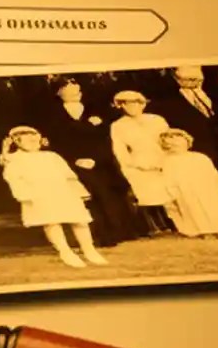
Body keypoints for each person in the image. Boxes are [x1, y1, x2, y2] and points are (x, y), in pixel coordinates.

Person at [37, 77, 147, 245]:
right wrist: (75, 160)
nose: (75, 92)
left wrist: (96, 159)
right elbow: (57, 142)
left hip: (100, 159)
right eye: (68, 88)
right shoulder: (53, 116)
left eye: (77, 88)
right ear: (59, 92)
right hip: (74, 162)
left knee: (111, 191)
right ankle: (103, 235)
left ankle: (124, 230)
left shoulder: (95, 110)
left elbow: (107, 138)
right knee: (91, 195)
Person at [152, 66, 218, 223]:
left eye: (197, 79)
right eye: (188, 80)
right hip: (200, 146)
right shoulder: (167, 103)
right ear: (176, 78)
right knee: (212, 181)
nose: (193, 83)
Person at [0, 125, 108, 268]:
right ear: (17, 142)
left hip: (63, 191)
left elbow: (68, 175)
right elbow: (11, 175)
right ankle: (65, 251)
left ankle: (89, 250)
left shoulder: (52, 156)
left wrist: (78, 191)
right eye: (26, 140)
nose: (32, 142)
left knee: (80, 220)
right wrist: (24, 193)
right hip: (39, 194)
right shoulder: (16, 159)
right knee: (52, 222)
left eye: (34, 139)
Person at [109, 89, 177, 233]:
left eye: (136, 103)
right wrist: (131, 164)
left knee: (170, 190)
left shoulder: (156, 120)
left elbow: (169, 139)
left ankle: (175, 222)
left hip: (162, 157)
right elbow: (120, 149)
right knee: (146, 192)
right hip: (139, 162)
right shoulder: (118, 125)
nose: (132, 107)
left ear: (142, 104)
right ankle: (154, 226)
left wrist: (169, 157)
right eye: (126, 104)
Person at [158, 128, 218, 240]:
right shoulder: (169, 161)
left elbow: (213, 174)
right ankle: (205, 232)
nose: (177, 145)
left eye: (180, 141)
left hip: (207, 190)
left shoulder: (200, 157)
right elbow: (169, 178)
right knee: (196, 213)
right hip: (187, 192)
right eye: (172, 144)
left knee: (216, 209)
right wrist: (172, 193)